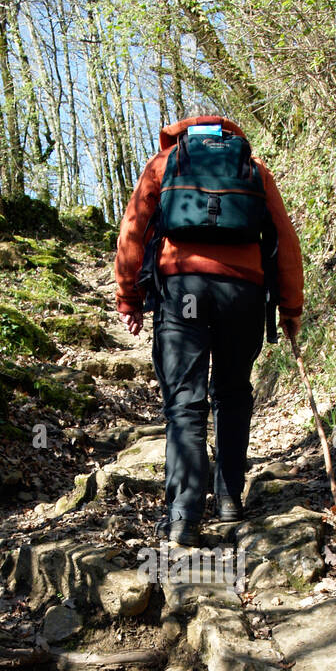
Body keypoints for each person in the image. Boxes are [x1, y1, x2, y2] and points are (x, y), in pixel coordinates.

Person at [114, 108, 303, 547]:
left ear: (180, 135)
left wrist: (129, 297)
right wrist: (290, 307)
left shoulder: (163, 165)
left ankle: (183, 514)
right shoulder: (253, 169)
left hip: (183, 290)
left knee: (185, 401)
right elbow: (284, 238)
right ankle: (229, 497)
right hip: (244, 295)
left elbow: (133, 233)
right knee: (233, 391)